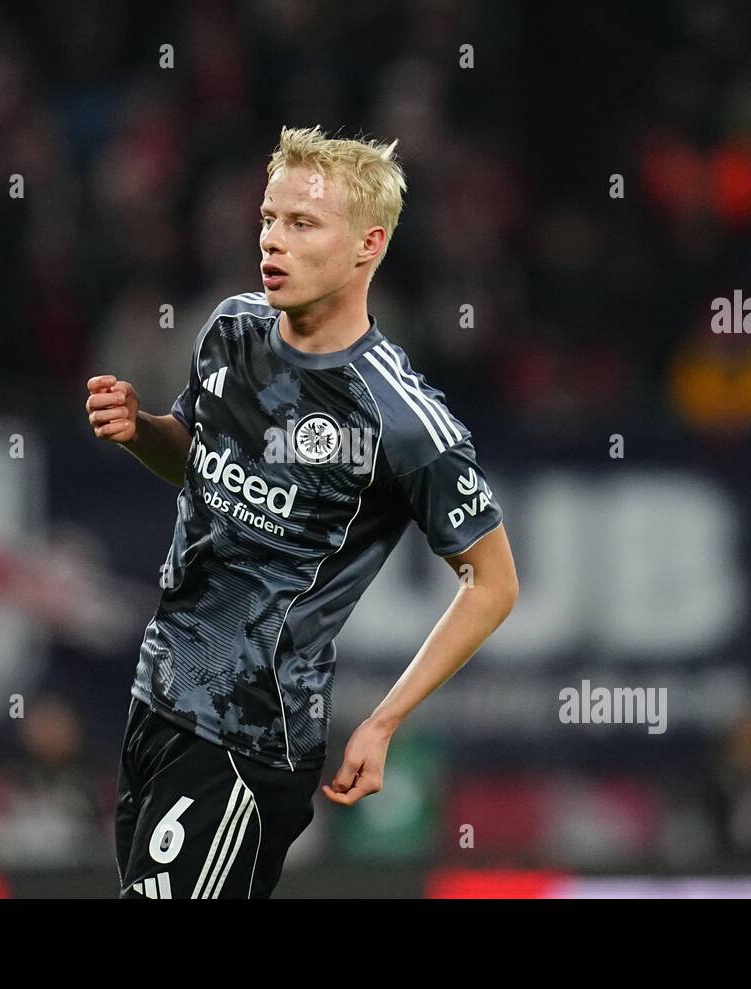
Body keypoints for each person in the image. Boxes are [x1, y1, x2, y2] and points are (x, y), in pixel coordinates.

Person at [88, 125, 518, 898]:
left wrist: (384, 721)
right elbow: (199, 463)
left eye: (301, 223)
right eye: (267, 218)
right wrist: (142, 429)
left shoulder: (402, 418)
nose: (271, 241)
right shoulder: (231, 330)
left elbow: (491, 582)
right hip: (158, 697)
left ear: (367, 246)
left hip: (248, 733)